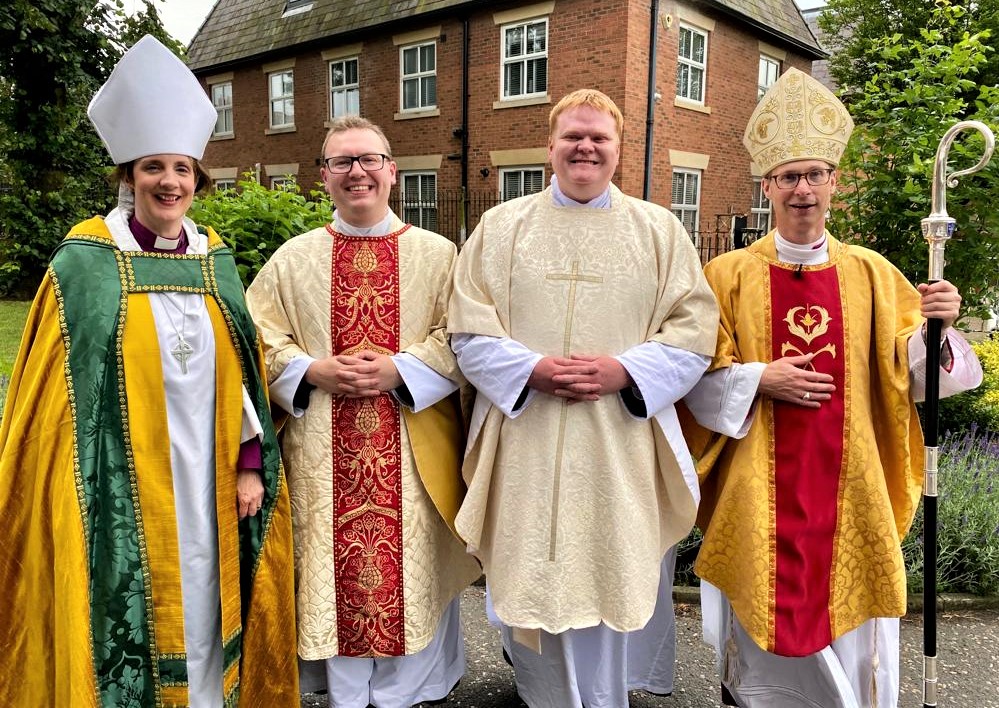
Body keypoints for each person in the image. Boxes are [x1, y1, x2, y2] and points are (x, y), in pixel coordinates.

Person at [0, 35, 298, 706]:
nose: (169, 182)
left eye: (183, 169)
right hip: (117, 483)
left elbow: (242, 379)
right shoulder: (84, 264)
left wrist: (251, 462)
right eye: (153, 167)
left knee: (206, 593)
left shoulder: (214, 259)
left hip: (209, 476)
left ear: (198, 180)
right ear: (128, 176)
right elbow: (57, 397)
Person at [681, 67, 984, 707]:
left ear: (833, 184)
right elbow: (693, 378)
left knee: (851, 639)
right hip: (758, 487)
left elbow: (925, 378)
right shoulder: (725, 275)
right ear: (767, 185)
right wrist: (758, 378)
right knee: (766, 643)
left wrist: (939, 325)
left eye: (815, 174)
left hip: (854, 488)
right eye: (788, 176)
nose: (802, 189)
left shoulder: (873, 274)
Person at [447, 88, 720, 707]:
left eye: (599, 138)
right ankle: (544, 697)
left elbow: (693, 330)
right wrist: (534, 369)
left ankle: (604, 699)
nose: (585, 147)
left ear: (619, 150)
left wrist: (624, 372)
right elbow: (468, 328)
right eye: (573, 136)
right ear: (551, 146)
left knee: (610, 571)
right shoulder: (502, 226)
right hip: (527, 440)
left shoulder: (657, 230)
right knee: (533, 575)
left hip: (618, 442)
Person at [244, 115, 481, 708]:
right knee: (333, 571)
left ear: (392, 172)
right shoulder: (294, 259)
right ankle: (347, 697)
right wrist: (311, 369)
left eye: (368, 159)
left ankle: (407, 693)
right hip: (322, 452)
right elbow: (256, 335)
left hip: (411, 448)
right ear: (323, 177)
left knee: (412, 574)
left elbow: (464, 335)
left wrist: (400, 368)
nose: (357, 172)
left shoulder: (438, 255)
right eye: (341, 162)